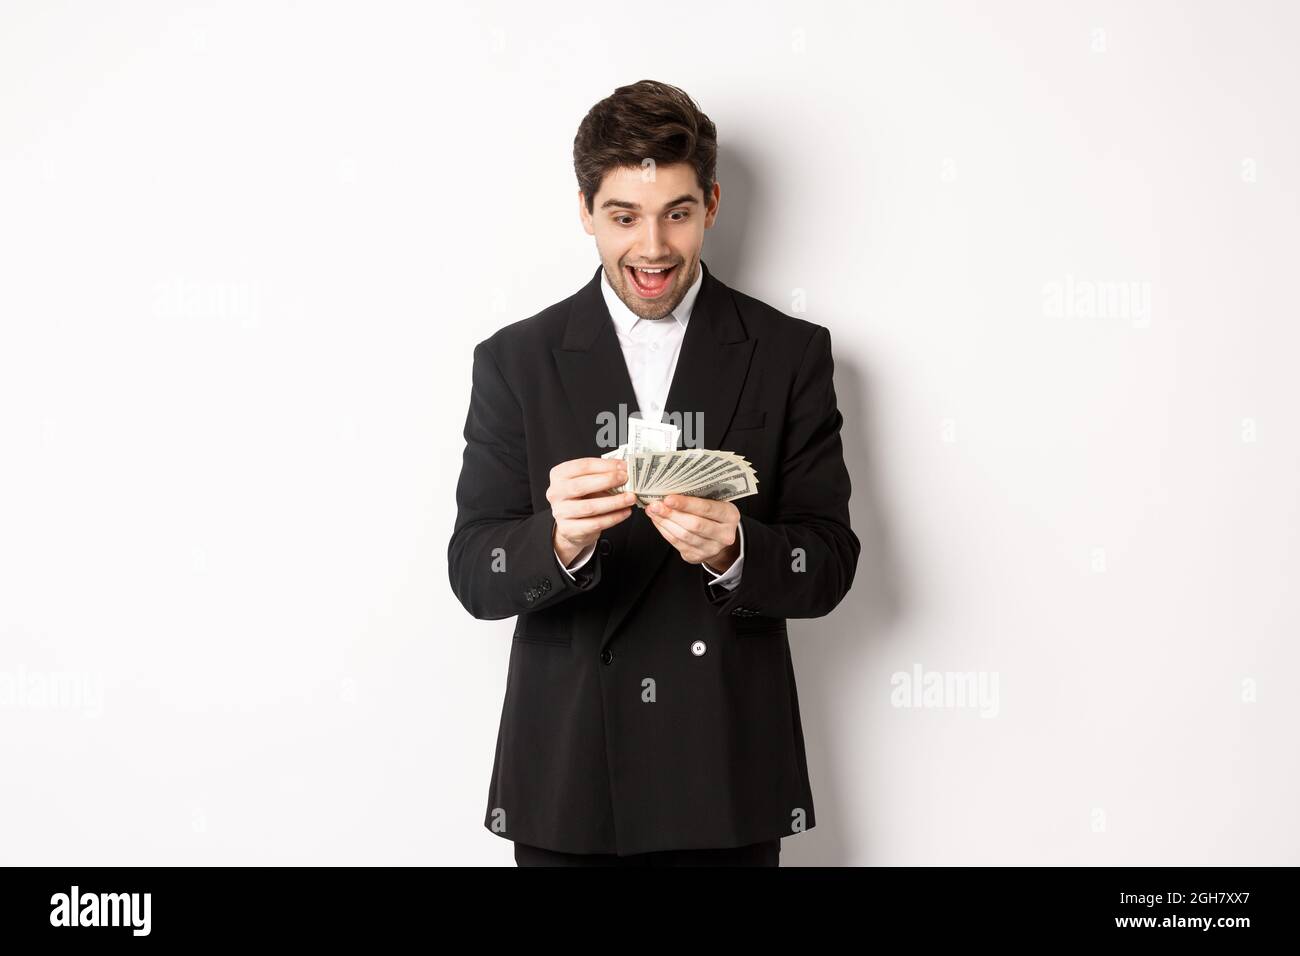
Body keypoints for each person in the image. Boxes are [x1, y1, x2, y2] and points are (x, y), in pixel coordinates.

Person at [448, 80, 860, 866]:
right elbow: (474, 572)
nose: (653, 247)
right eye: (624, 216)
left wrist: (736, 550)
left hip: (725, 774)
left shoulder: (789, 353)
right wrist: (557, 541)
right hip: (570, 778)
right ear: (585, 211)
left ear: (710, 203)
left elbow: (829, 565)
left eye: (676, 212)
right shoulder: (515, 361)